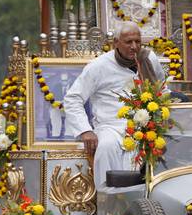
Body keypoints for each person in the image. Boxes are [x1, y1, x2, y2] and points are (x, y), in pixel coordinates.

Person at [62, 22, 166, 191]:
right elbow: (73, 98)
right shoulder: (98, 66)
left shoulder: (148, 58)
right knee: (106, 146)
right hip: (110, 126)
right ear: (115, 43)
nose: (134, 47)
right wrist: (85, 130)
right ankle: (109, 204)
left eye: (138, 42)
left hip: (147, 124)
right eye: (128, 42)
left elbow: (161, 88)